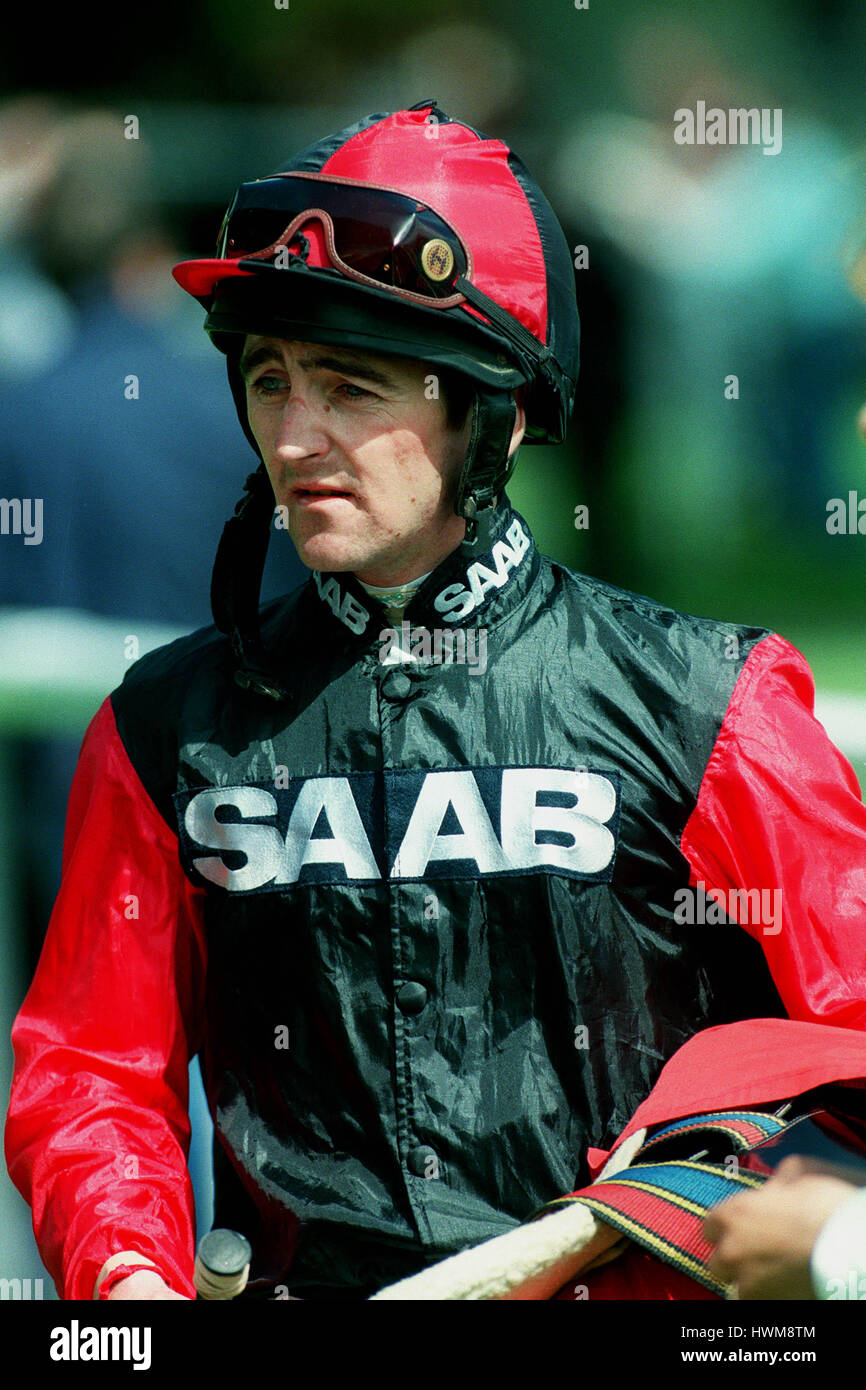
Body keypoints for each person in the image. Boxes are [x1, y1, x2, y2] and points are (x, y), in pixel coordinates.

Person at [5, 100, 866, 1303]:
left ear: (493, 414)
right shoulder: (161, 728)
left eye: (352, 389)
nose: (296, 436)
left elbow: (852, 1045)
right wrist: (130, 1279)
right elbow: (91, 1076)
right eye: (270, 379)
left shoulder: (710, 701)